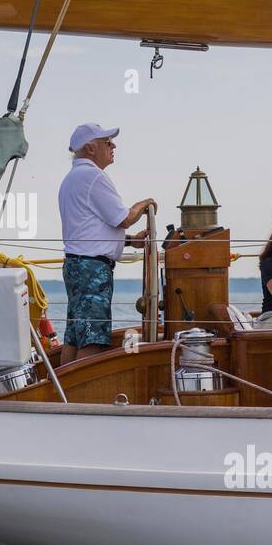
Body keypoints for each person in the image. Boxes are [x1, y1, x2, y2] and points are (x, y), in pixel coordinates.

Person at [58, 123, 155, 364]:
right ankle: (82, 398)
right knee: (92, 338)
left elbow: (89, 228)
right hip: (93, 270)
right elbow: (123, 219)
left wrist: (132, 242)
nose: (113, 145)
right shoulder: (93, 176)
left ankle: (63, 396)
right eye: (107, 142)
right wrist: (144, 205)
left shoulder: (72, 178)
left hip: (76, 265)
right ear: (91, 148)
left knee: (74, 336)